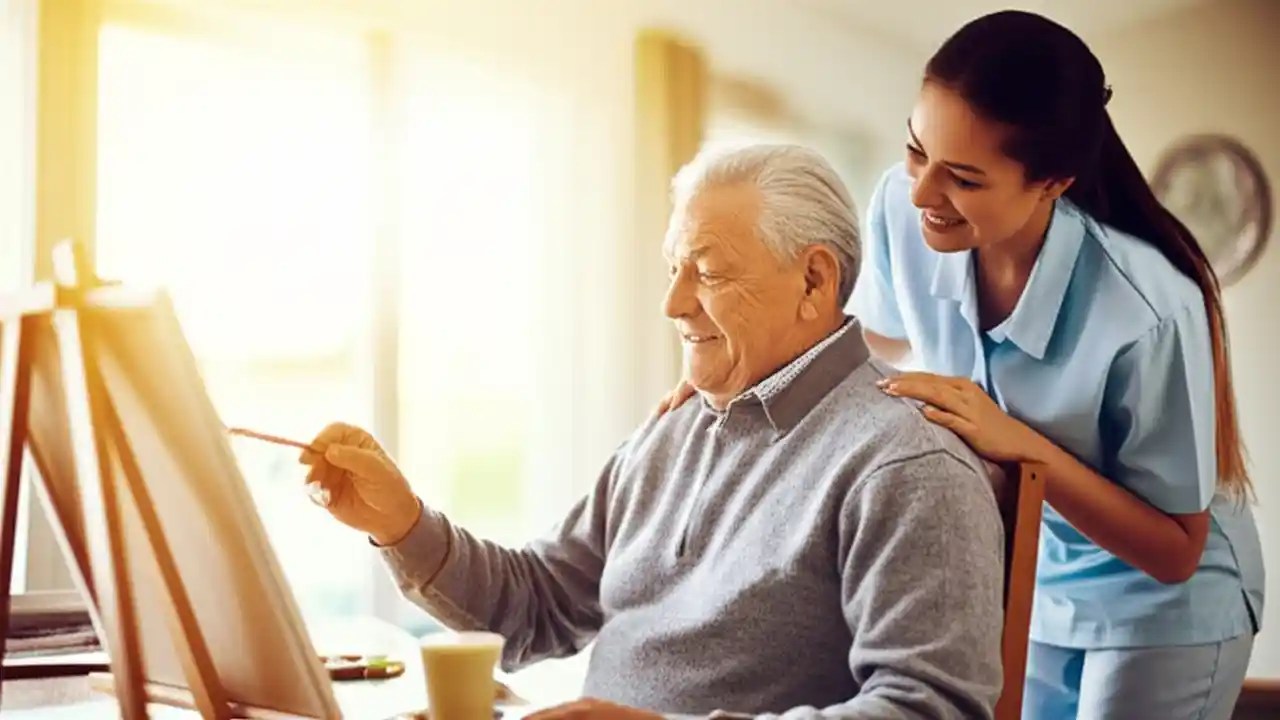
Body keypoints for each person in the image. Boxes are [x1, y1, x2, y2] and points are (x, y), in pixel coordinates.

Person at [655, 10, 1266, 720]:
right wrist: (741, 366)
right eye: (917, 152)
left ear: (1052, 183)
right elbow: (867, 337)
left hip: (1167, 606)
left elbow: (1175, 551)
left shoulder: (1150, 308)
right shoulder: (901, 211)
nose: (921, 193)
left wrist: (1016, 442)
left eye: (964, 179)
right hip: (1037, 583)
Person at [302, 144, 1006, 719]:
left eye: (706, 272)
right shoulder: (670, 432)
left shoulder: (908, 461)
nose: (672, 303)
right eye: (673, 269)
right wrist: (401, 522)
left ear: (814, 283)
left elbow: (927, 711)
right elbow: (536, 606)